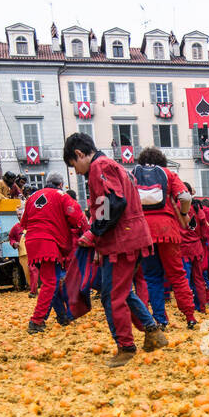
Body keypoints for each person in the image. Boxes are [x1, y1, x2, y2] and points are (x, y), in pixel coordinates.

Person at [63, 131, 168, 366]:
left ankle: (126, 347)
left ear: (79, 154)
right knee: (122, 291)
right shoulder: (111, 165)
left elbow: (113, 202)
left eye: (74, 165)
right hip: (132, 237)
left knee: (112, 297)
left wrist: (94, 231)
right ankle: (152, 332)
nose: (77, 172)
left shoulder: (98, 167)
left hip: (122, 240)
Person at [133, 146, 198, 329]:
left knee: (152, 277)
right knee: (177, 275)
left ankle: (160, 319)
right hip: (167, 229)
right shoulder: (168, 174)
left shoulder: (134, 175)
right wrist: (184, 214)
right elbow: (185, 197)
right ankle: (190, 316)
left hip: (144, 232)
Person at [11, 172, 82, 332]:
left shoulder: (33, 197)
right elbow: (76, 217)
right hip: (48, 241)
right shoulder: (61, 195)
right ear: (61, 184)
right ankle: (37, 320)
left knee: (53, 280)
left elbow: (24, 222)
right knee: (51, 282)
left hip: (32, 241)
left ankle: (63, 316)